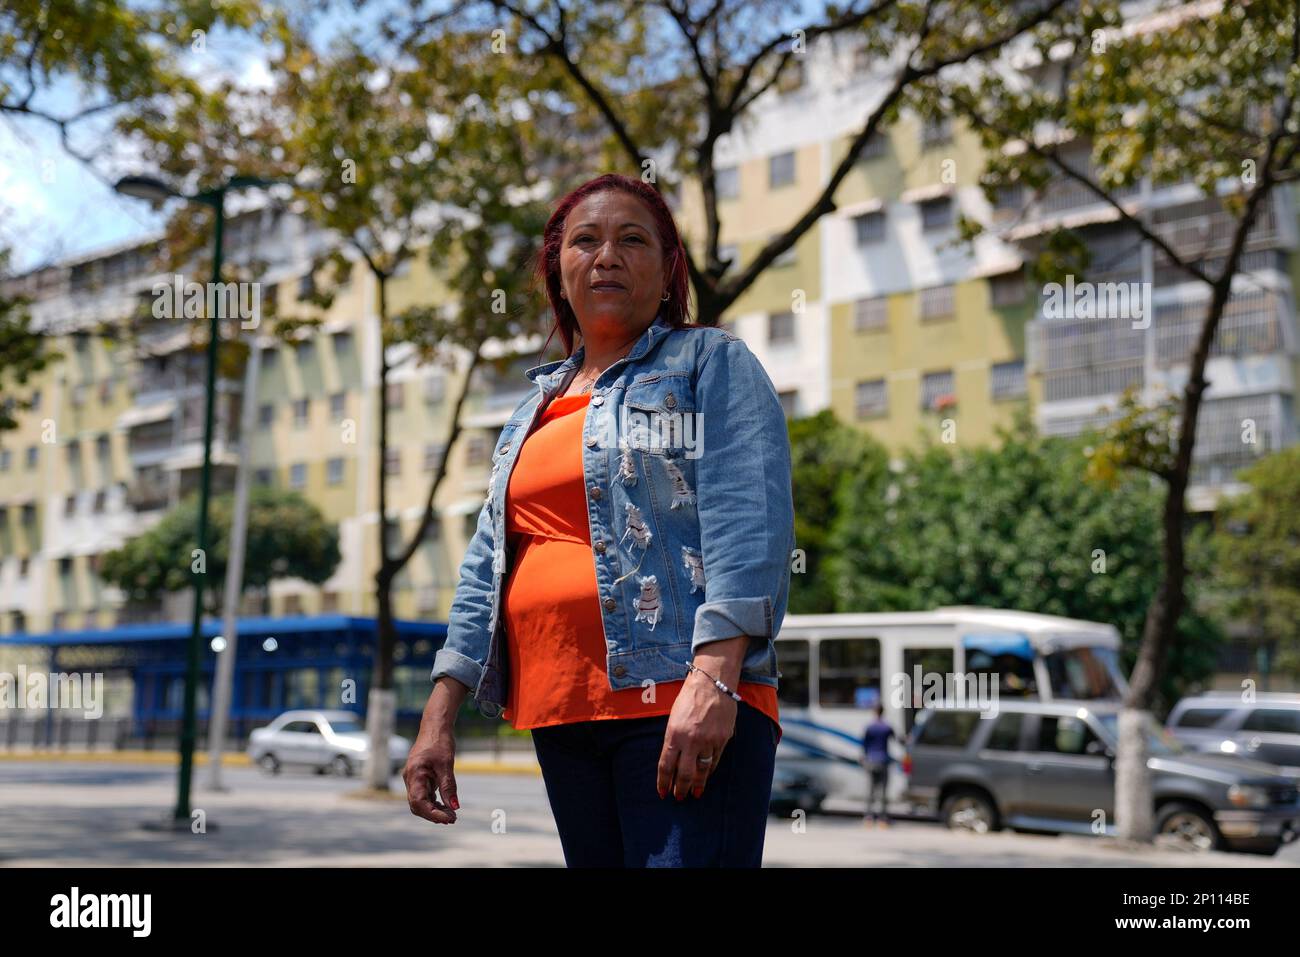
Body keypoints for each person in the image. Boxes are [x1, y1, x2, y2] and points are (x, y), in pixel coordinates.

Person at [402, 173, 795, 867]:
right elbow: (484, 565)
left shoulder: (709, 362)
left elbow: (747, 520)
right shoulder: (529, 411)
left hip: (677, 698)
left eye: (631, 239)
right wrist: (440, 713)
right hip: (562, 712)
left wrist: (714, 680)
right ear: (560, 267)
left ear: (669, 267)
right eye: (586, 240)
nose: (606, 254)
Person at [861, 704, 894, 828]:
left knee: (870, 790)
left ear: (874, 712)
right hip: (883, 761)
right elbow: (896, 739)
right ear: (883, 712)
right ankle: (883, 819)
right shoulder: (887, 727)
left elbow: (864, 745)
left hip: (870, 761)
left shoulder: (869, 727)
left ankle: (868, 817)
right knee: (883, 792)